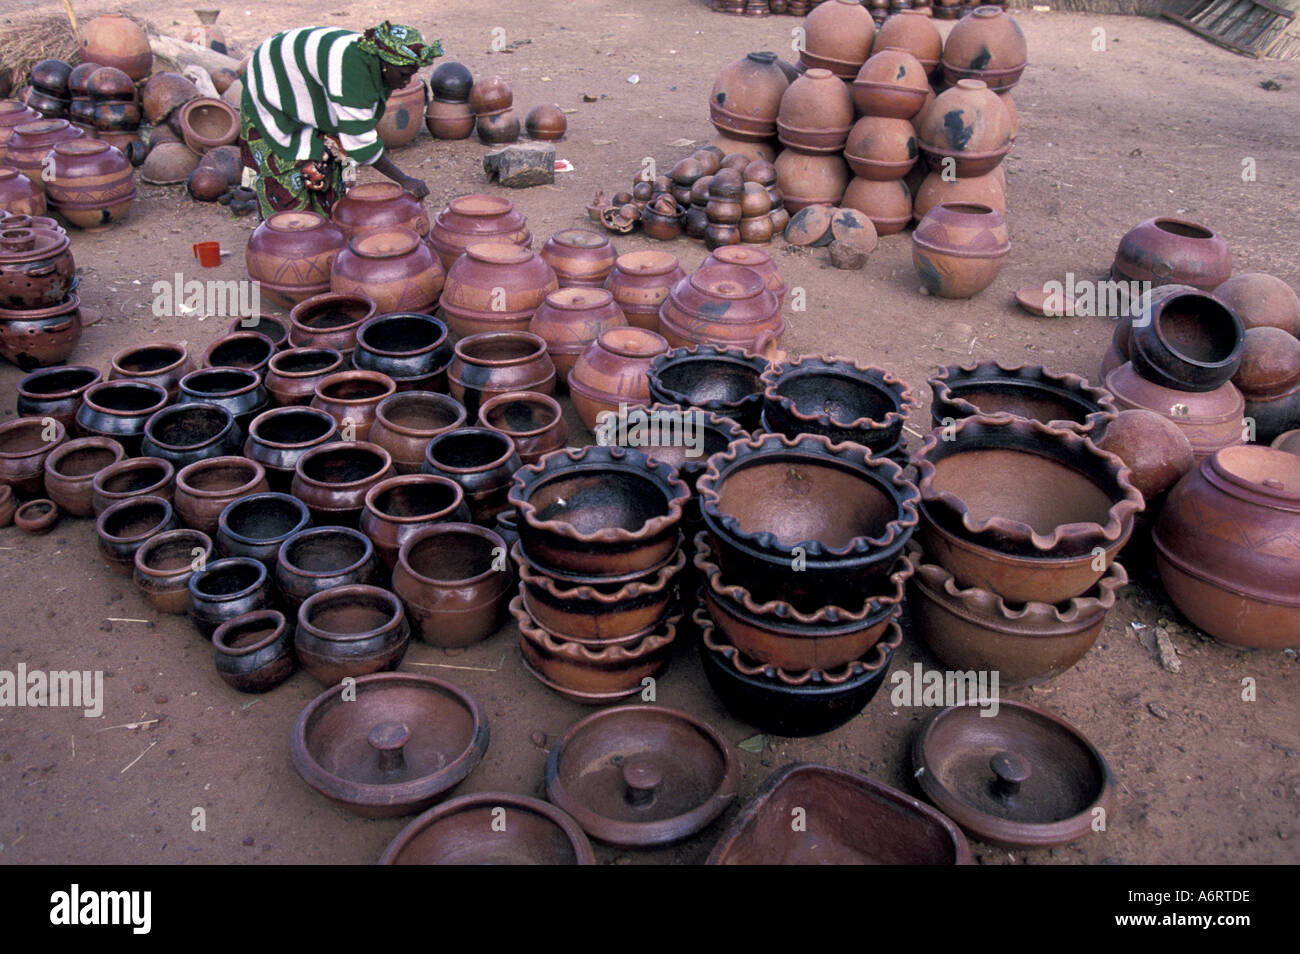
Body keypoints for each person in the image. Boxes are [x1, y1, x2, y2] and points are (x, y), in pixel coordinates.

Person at [239, 21, 439, 218]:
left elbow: (356, 126)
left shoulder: (375, 60)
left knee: (326, 166)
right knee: (288, 182)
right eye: (404, 74)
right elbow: (362, 146)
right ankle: (291, 234)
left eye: (412, 75)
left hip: (302, 78)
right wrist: (404, 180)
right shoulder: (355, 75)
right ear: (385, 63)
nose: (406, 82)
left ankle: (323, 227)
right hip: (272, 80)